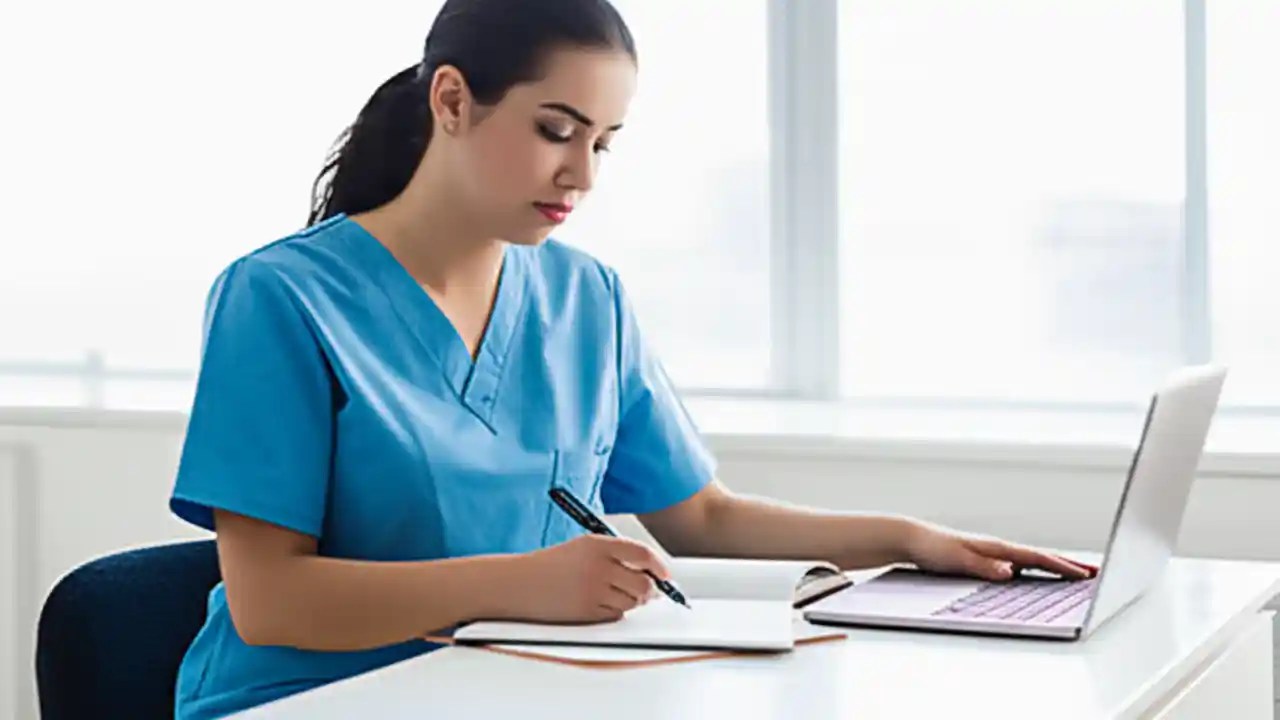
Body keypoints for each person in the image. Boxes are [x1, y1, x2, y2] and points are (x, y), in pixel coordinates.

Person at [168, 0, 1091, 717]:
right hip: (308, 704)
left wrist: (908, 541)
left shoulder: (586, 299)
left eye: (604, 143)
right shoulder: (281, 299)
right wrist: (527, 584)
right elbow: (271, 603)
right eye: (555, 131)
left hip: (515, 693)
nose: (583, 175)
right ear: (452, 100)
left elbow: (701, 519)